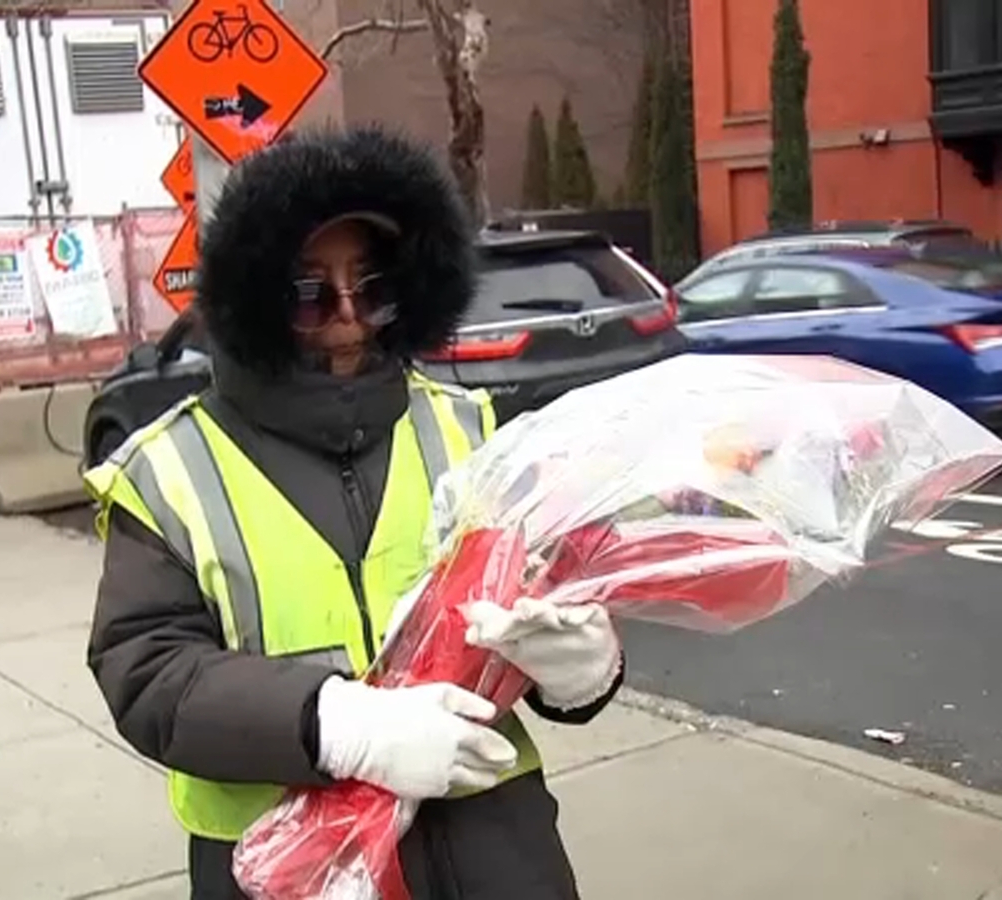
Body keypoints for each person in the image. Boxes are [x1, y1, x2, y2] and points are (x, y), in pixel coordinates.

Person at [83, 125, 625, 900]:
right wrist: (341, 727)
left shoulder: (472, 434)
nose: (348, 316)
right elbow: (148, 672)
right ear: (256, 300)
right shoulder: (171, 473)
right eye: (309, 293)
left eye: (374, 285)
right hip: (287, 870)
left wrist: (583, 670)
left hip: (497, 860)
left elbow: (553, 595)